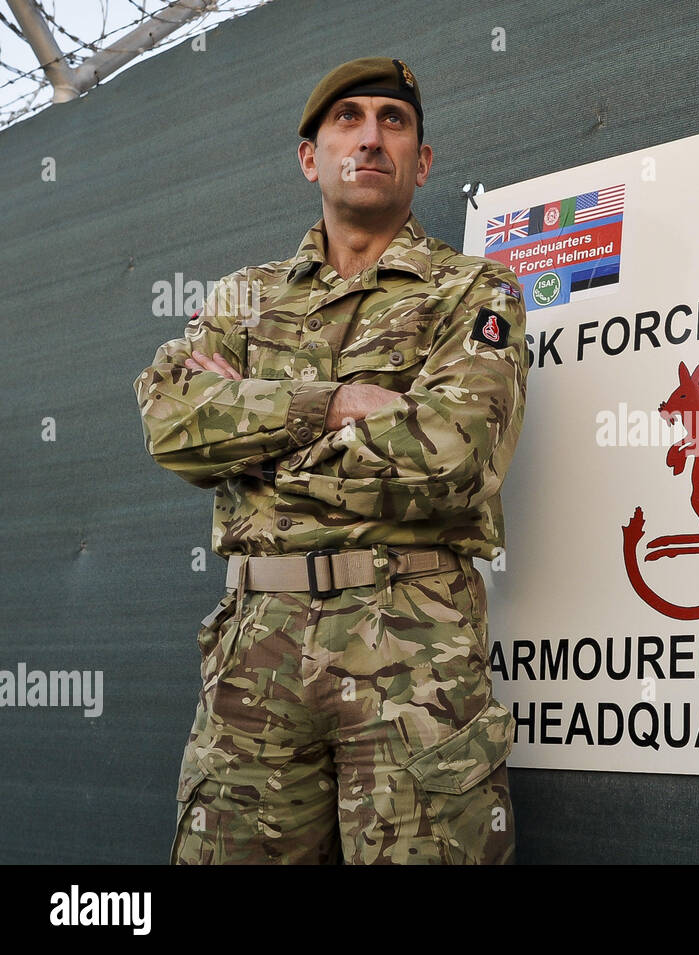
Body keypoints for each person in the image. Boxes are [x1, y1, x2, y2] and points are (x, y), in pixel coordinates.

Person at [132, 56, 527, 864]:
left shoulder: (474, 292)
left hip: (412, 654)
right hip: (254, 654)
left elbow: (452, 456)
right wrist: (336, 404)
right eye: (348, 118)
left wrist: (252, 447)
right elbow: (171, 422)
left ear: (423, 161)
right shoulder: (245, 298)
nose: (371, 136)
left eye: (394, 120)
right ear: (310, 157)